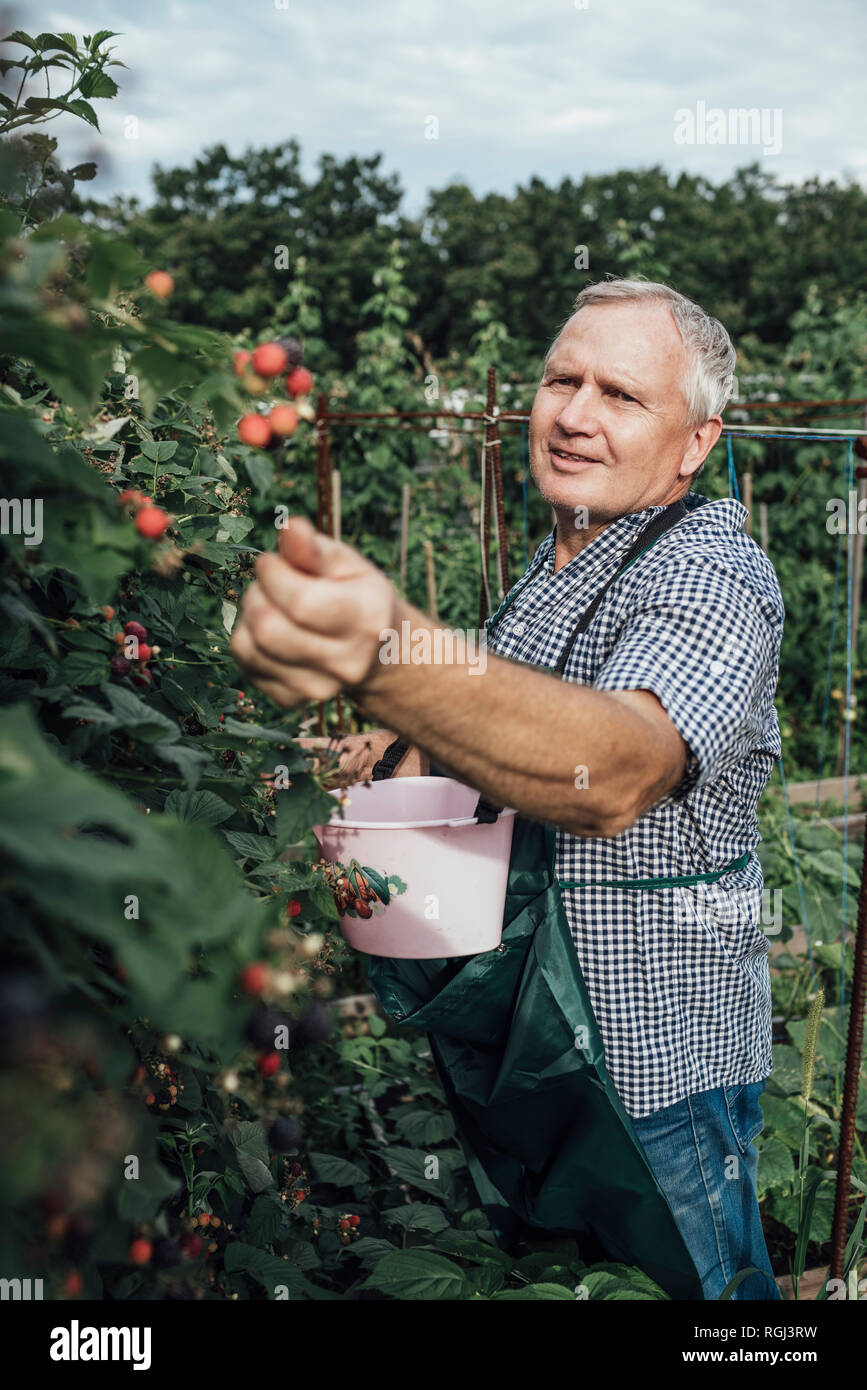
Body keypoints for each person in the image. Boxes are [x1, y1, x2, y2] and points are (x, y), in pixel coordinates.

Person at [231, 277, 784, 1300]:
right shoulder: (562, 558)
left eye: (621, 395)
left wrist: (392, 654)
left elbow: (619, 767)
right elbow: (504, 730)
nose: (573, 415)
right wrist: (374, 759)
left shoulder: (711, 577)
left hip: (652, 1074)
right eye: (561, 379)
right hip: (527, 1057)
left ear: (696, 443)